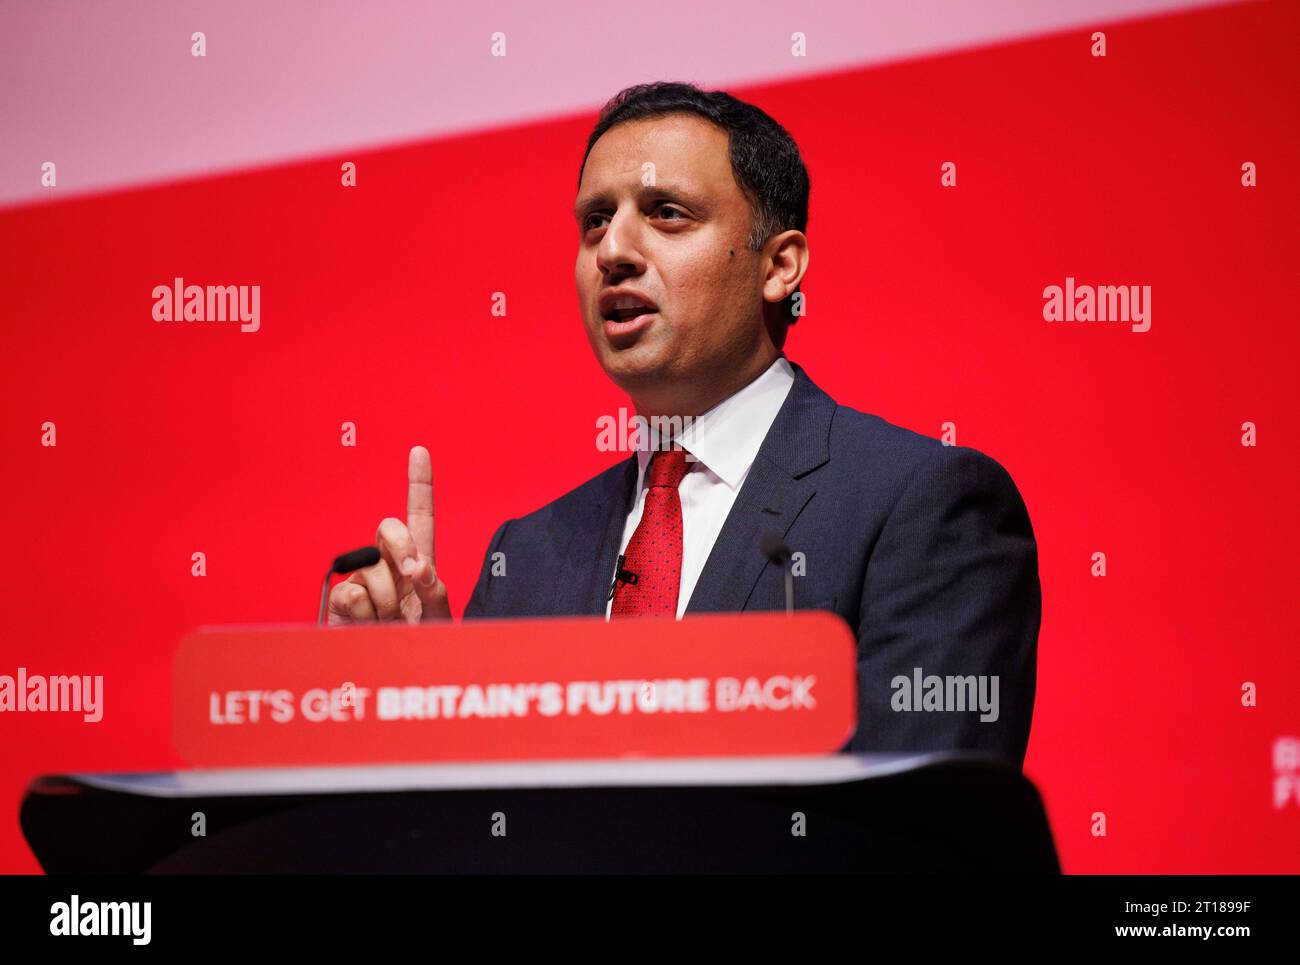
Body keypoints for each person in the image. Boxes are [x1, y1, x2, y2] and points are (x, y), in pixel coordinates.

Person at [326, 81, 1041, 766]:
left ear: (779, 265)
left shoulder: (921, 505)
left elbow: (924, 833)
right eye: (595, 221)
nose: (612, 251)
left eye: (666, 212)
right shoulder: (528, 559)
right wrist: (414, 708)